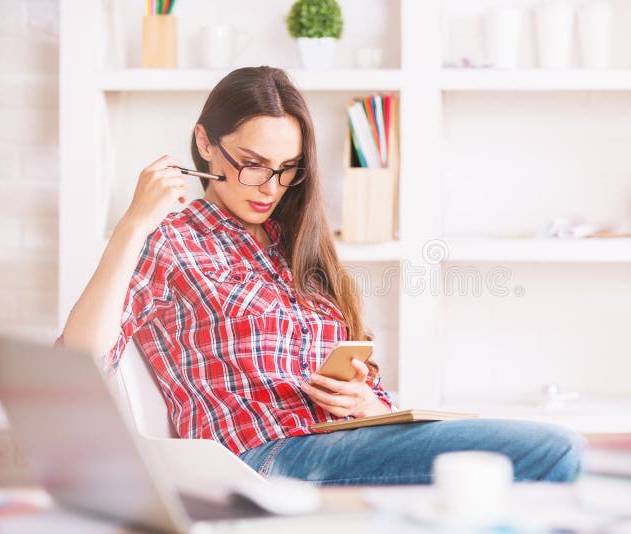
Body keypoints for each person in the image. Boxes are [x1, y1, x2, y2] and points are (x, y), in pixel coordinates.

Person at [57, 66, 585, 485]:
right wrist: (132, 222)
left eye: (287, 169)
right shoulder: (172, 240)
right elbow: (76, 361)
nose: (269, 186)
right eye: (252, 163)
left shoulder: (299, 247)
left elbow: (356, 377)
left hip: (339, 441)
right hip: (263, 459)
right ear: (203, 143)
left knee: (522, 457)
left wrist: (363, 401)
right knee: (552, 451)